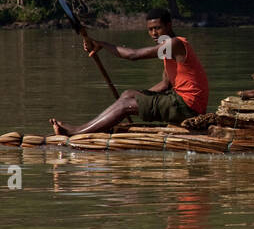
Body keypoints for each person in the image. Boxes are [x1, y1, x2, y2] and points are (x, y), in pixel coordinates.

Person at [50, 8, 209, 135]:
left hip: (187, 106)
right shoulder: (168, 49)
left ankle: (76, 132)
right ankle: (84, 127)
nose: (154, 33)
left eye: (158, 28)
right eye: (150, 29)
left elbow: (134, 55)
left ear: (169, 25)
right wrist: (139, 98)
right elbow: (165, 84)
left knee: (126, 104)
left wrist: (102, 44)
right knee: (128, 95)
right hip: (180, 100)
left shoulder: (175, 44)